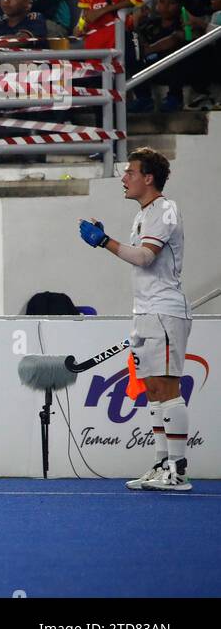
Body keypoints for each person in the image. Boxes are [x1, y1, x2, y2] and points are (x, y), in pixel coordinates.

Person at [78, 148, 192, 491]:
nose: (124, 178)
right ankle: (161, 464)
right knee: (153, 391)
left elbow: (144, 257)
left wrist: (104, 242)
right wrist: (108, 239)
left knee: (167, 388)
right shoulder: (144, 213)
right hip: (146, 311)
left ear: (148, 178)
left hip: (164, 310)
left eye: (130, 172)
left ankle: (178, 470)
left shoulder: (165, 210)